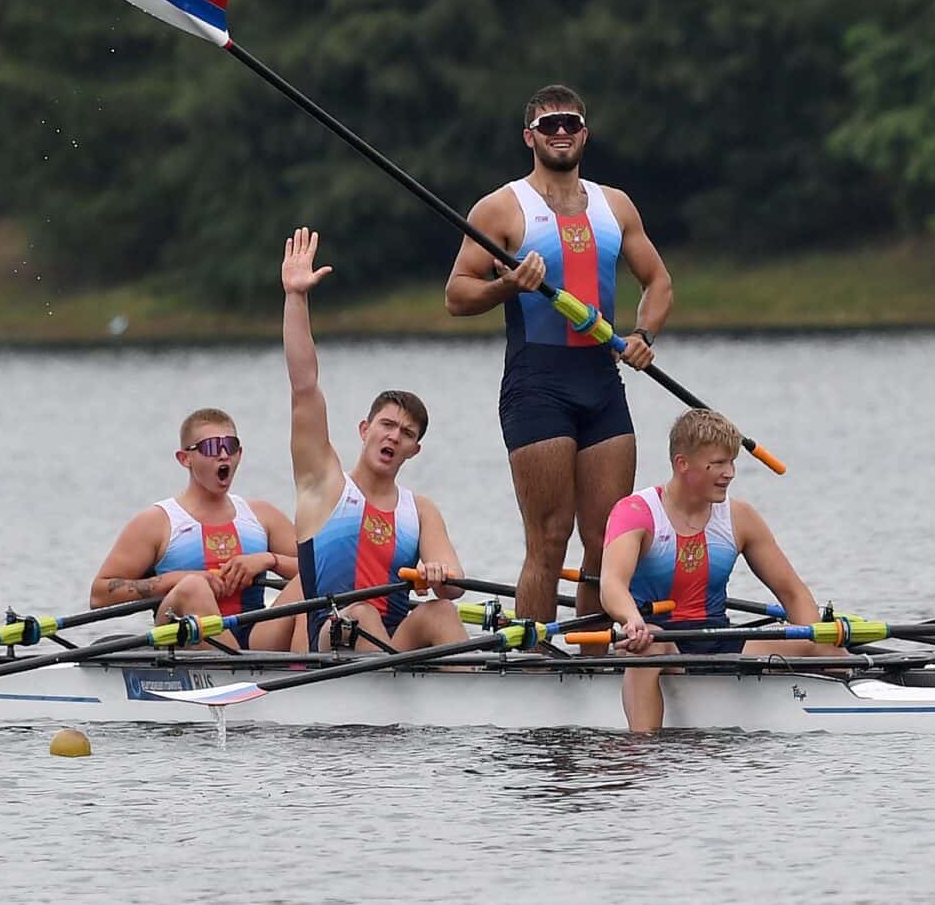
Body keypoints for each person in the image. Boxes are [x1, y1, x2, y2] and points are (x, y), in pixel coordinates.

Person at [445, 83, 673, 627]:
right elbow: (456, 295)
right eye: (550, 125)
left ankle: (593, 656)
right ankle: (534, 657)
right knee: (549, 539)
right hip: (536, 383)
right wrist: (508, 287)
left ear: (585, 134)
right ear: (530, 137)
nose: (562, 132)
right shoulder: (501, 208)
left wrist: (643, 334)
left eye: (571, 123)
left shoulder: (614, 205)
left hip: (600, 380)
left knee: (606, 540)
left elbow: (659, 281)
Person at [278, 226, 468, 652]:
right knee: (359, 610)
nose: (393, 437)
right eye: (386, 425)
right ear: (364, 430)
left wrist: (440, 574)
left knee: (440, 610)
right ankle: (406, 699)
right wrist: (296, 297)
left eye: (406, 434)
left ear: (413, 450)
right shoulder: (323, 483)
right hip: (328, 638)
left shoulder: (419, 511)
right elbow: (303, 387)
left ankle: (469, 696)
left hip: (390, 646)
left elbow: (454, 584)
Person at [601, 408, 838, 732]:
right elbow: (612, 584)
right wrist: (633, 621)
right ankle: (642, 750)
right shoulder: (636, 513)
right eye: (718, 463)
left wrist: (811, 635)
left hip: (719, 637)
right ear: (682, 464)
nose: (729, 473)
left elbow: (791, 591)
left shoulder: (740, 518)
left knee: (826, 647)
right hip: (659, 636)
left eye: (732, 462)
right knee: (649, 646)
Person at [89, 408, 301, 652]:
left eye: (230, 446)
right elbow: (99, 594)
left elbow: (324, 569)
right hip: (183, 638)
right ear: (184, 458)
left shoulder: (263, 515)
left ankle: (307, 672)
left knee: (309, 579)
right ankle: (237, 668)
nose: (223, 456)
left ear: (239, 454)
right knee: (193, 587)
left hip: (255, 638)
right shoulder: (157, 522)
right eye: (210, 447)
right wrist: (177, 579)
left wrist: (269, 560)